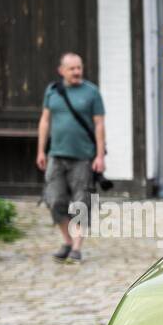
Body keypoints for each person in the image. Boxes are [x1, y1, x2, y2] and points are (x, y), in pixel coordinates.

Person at [36, 52, 106, 264]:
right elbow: (45, 121)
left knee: (80, 202)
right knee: (54, 199)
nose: (76, 72)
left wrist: (100, 155)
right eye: (72, 68)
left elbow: (99, 124)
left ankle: (76, 247)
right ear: (61, 70)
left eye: (79, 68)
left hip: (83, 157)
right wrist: (41, 150)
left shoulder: (92, 92)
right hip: (56, 155)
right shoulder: (53, 91)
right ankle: (66, 240)